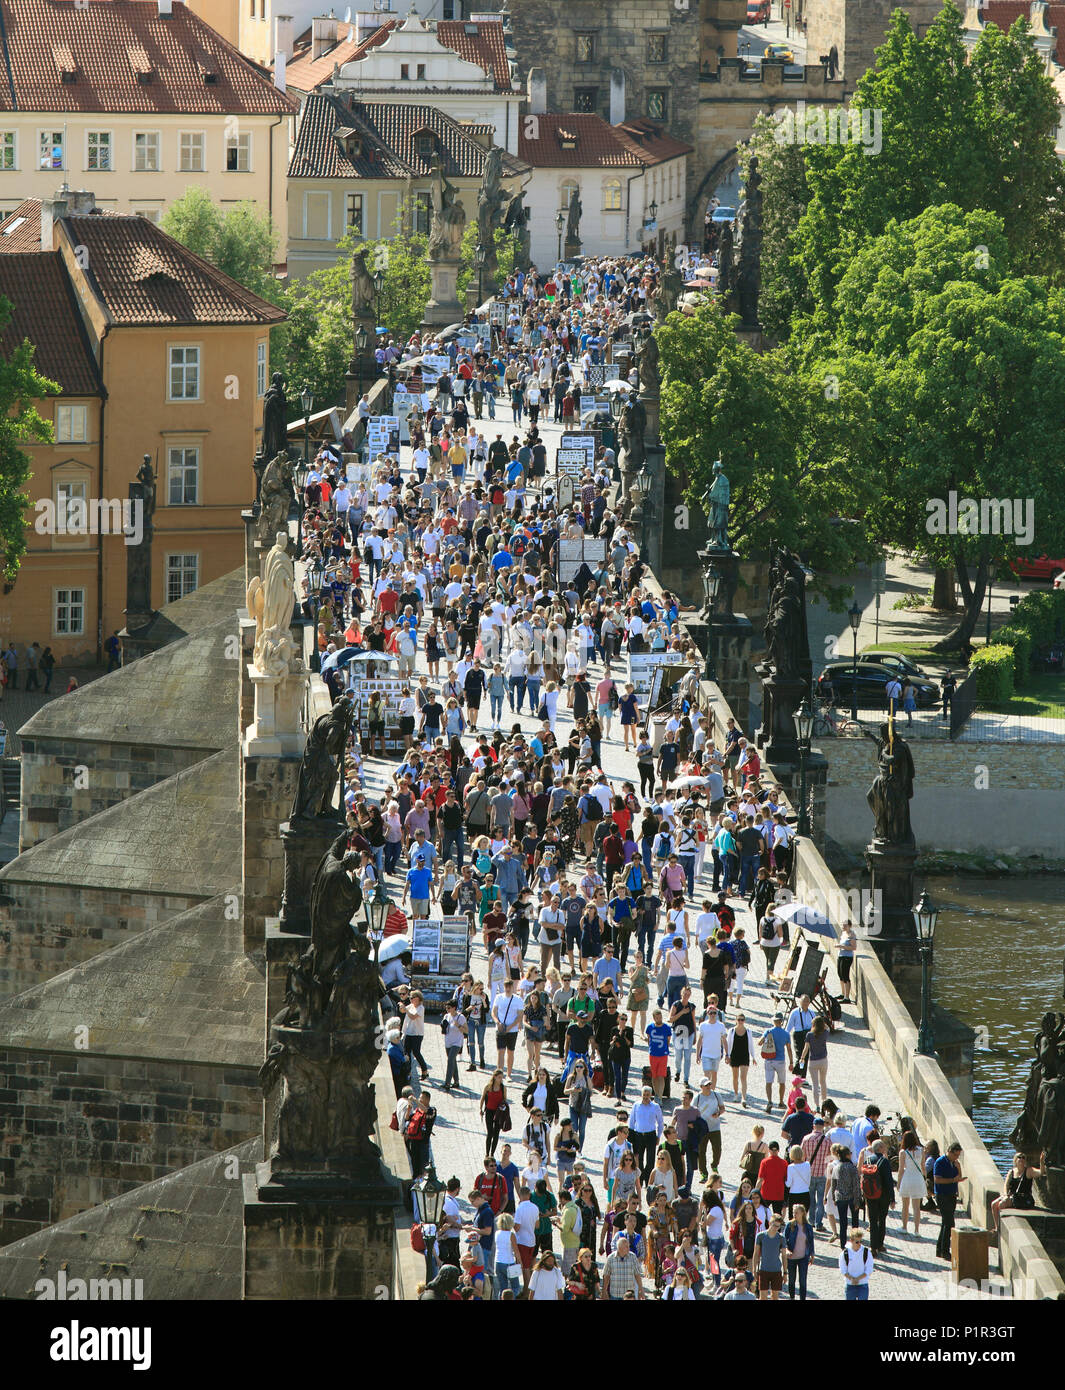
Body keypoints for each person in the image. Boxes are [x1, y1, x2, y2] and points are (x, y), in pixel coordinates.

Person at [992, 1149, 1045, 1229]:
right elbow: (1006, 1185)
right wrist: (1006, 1195)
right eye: (1019, 1157)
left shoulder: (1029, 1171)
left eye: (1023, 1158)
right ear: (1015, 1160)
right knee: (993, 1204)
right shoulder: (1011, 1172)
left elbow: (1041, 1172)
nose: (1021, 1159)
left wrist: (1041, 1162)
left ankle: (1001, 1229)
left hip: (1023, 1198)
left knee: (1001, 1204)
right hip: (1012, 1196)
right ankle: (997, 1227)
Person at [932, 1141, 966, 1261]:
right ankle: (945, 1251)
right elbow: (937, 1179)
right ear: (950, 1152)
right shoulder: (940, 1162)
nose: (957, 1158)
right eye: (955, 1155)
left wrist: (959, 1168)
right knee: (949, 1222)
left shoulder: (954, 1163)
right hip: (942, 1195)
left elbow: (958, 1178)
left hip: (951, 1195)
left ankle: (940, 1249)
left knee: (945, 1223)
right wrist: (952, 1180)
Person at [897, 1129, 930, 1234]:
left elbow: (901, 1169)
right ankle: (916, 1230)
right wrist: (924, 1179)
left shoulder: (903, 1152)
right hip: (918, 1178)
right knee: (916, 1207)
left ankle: (904, 1227)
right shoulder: (921, 1150)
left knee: (905, 1206)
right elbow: (923, 1167)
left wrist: (898, 1183)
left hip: (907, 1178)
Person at [760, 1011, 793, 1112]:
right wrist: (791, 1062)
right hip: (780, 1060)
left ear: (774, 1021)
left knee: (769, 1082)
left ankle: (769, 1101)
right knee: (782, 1082)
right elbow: (789, 1049)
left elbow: (759, 1042)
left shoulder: (768, 1031)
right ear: (781, 1021)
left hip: (769, 1060)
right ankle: (781, 1101)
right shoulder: (786, 1034)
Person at [752, 1213, 786, 1301]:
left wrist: (785, 1272)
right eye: (774, 1225)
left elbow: (784, 1256)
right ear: (770, 1223)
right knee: (762, 1297)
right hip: (764, 1270)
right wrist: (754, 1268)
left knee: (775, 1297)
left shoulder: (781, 1238)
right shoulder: (761, 1236)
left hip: (776, 1270)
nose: (776, 1228)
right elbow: (756, 1253)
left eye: (778, 1227)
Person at [784, 1203, 815, 1301]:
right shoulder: (790, 1225)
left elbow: (810, 1241)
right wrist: (787, 1250)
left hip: (803, 1257)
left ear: (802, 1213)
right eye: (793, 1212)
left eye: (796, 1212)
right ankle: (792, 1297)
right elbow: (784, 1240)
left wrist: (812, 1254)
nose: (794, 1214)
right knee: (792, 1280)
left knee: (803, 1280)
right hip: (791, 1258)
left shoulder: (808, 1227)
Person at [601, 1235, 645, 1300]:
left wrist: (640, 1290)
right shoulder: (611, 1258)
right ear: (620, 1248)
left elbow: (637, 1275)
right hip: (615, 1294)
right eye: (626, 1247)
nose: (629, 1248)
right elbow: (606, 1275)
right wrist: (604, 1291)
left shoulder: (633, 1257)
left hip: (629, 1296)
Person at [480, 1069, 508, 1158]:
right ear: (495, 1077)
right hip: (489, 1111)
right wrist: (480, 1109)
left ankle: (492, 1154)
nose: (501, 1079)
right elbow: (483, 1098)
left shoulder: (503, 1088)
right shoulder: (488, 1087)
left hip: (498, 1113)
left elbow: (505, 1100)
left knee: (496, 1134)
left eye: (501, 1077)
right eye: (499, 1077)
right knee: (490, 1133)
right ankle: (487, 1153)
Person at [839, 1226, 873, 1299]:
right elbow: (843, 1269)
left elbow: (869, 1269)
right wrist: (852, 1279)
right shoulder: (845, 1253)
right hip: (850, 1284)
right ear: (851, 1240)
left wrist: (858, 1279)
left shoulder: (866, 1252)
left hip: (863, 1284)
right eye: (857, 1242)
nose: (859, 1244)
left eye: (861, 1241)